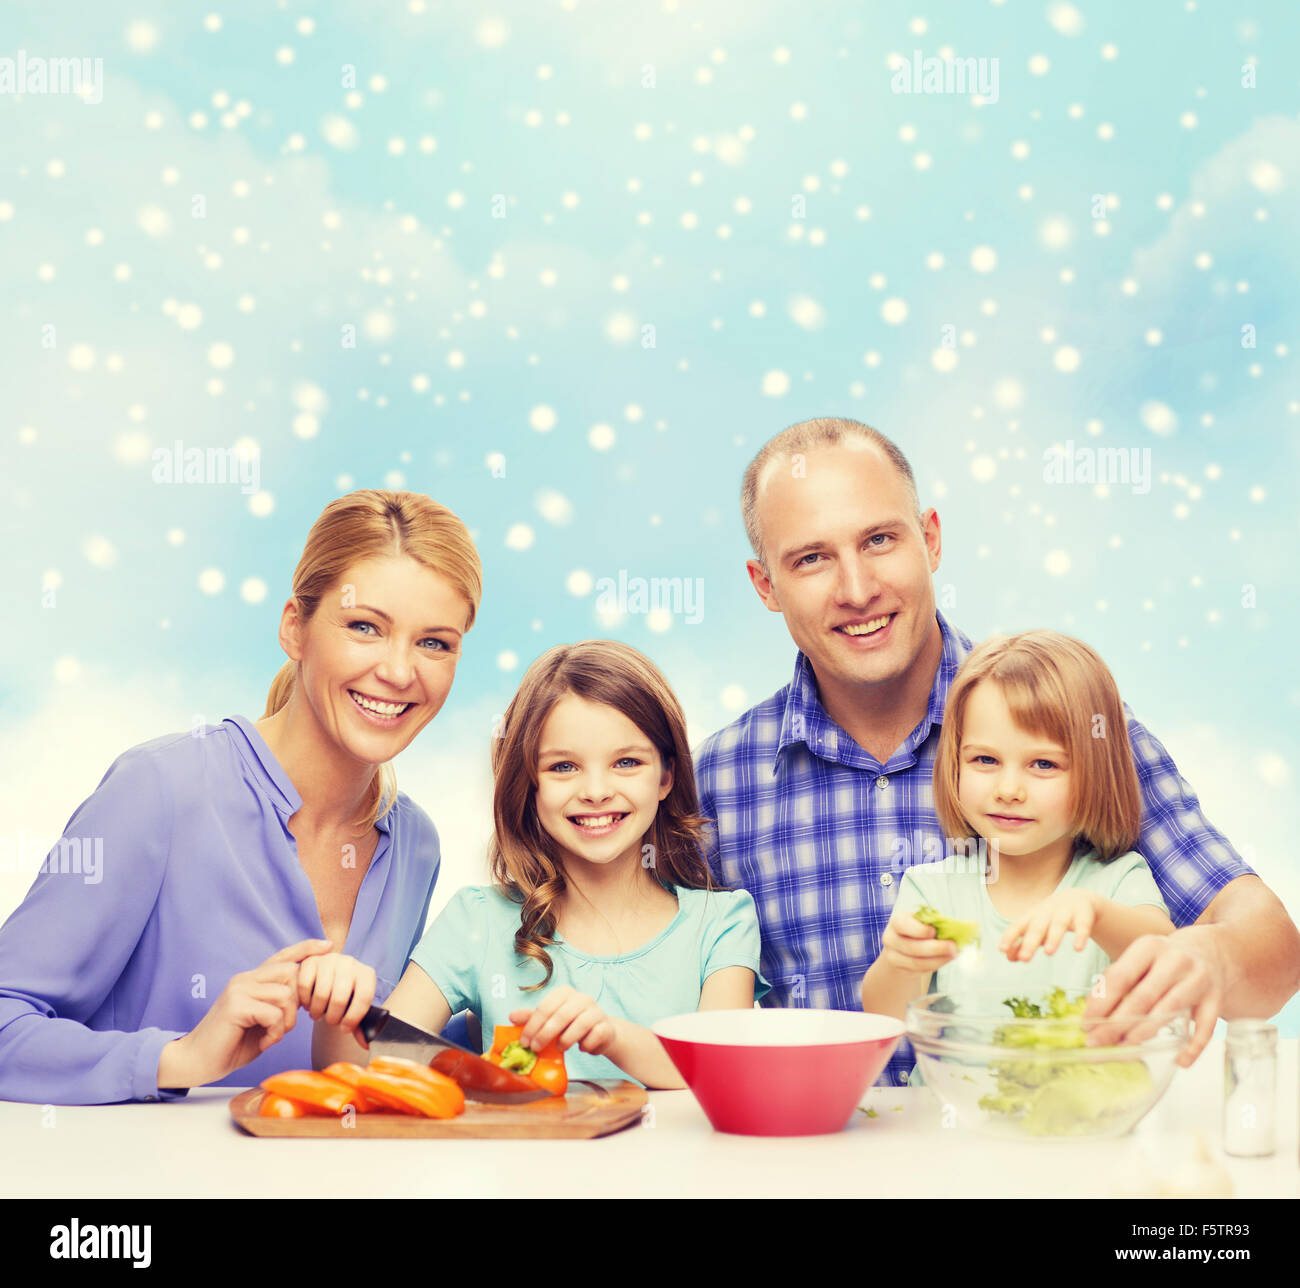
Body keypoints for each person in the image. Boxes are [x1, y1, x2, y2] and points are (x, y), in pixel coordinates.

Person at [695, 416, 1300, 1088]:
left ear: (930, 539)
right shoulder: (720, 780)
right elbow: (653, 983)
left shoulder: (1072, 728)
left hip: (1044, 1152)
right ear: (764, 585)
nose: (857, 588)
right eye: (811, 558)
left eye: (880, 540)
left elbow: (1271, 950)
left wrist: (1211, 958)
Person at [0, 489, 481, 1104]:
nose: (397, 671)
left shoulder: (414, 843)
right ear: (294, 627)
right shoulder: (163, 790)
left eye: (434, 643)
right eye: (365, 627)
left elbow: (373, 1060)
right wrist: (180, 1057)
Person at [316, 640, 769, 1086]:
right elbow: (371, 1071)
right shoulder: (478, 921)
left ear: (666, 777)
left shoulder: (722, 923)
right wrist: (337, 1008)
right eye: (563, 767)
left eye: (627, 762)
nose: (595, 790)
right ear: (529, 785)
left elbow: (718, 1068)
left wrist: (609, 1036)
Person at [861, 631, 1176, 1077]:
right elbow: (886, 1018)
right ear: (954, 763)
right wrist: (898, 961)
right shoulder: (933, 889)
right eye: (985, 761)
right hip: (951, 1130)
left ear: (1096, 773)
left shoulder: (1117, 881)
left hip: (1078, 1127)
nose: (1008, 790)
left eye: (1043, 764)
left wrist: (1097, 914)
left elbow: (1166, 955)